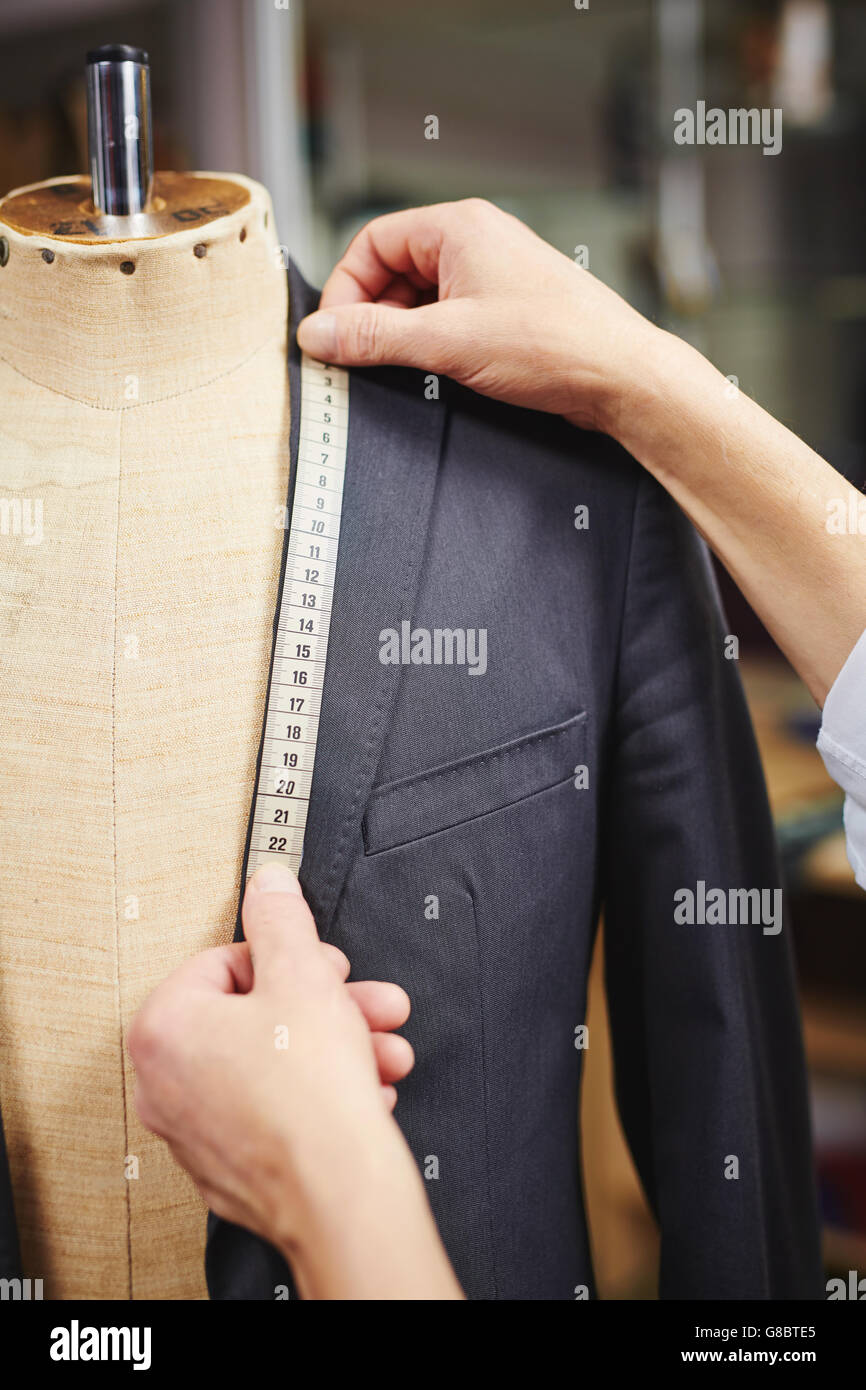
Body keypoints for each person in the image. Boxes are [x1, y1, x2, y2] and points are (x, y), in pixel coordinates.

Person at [131, 197, 866, 1299]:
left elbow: (726, 1118)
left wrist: (321, 1178)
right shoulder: (612, 414)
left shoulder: (557, 486)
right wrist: (642, 378)